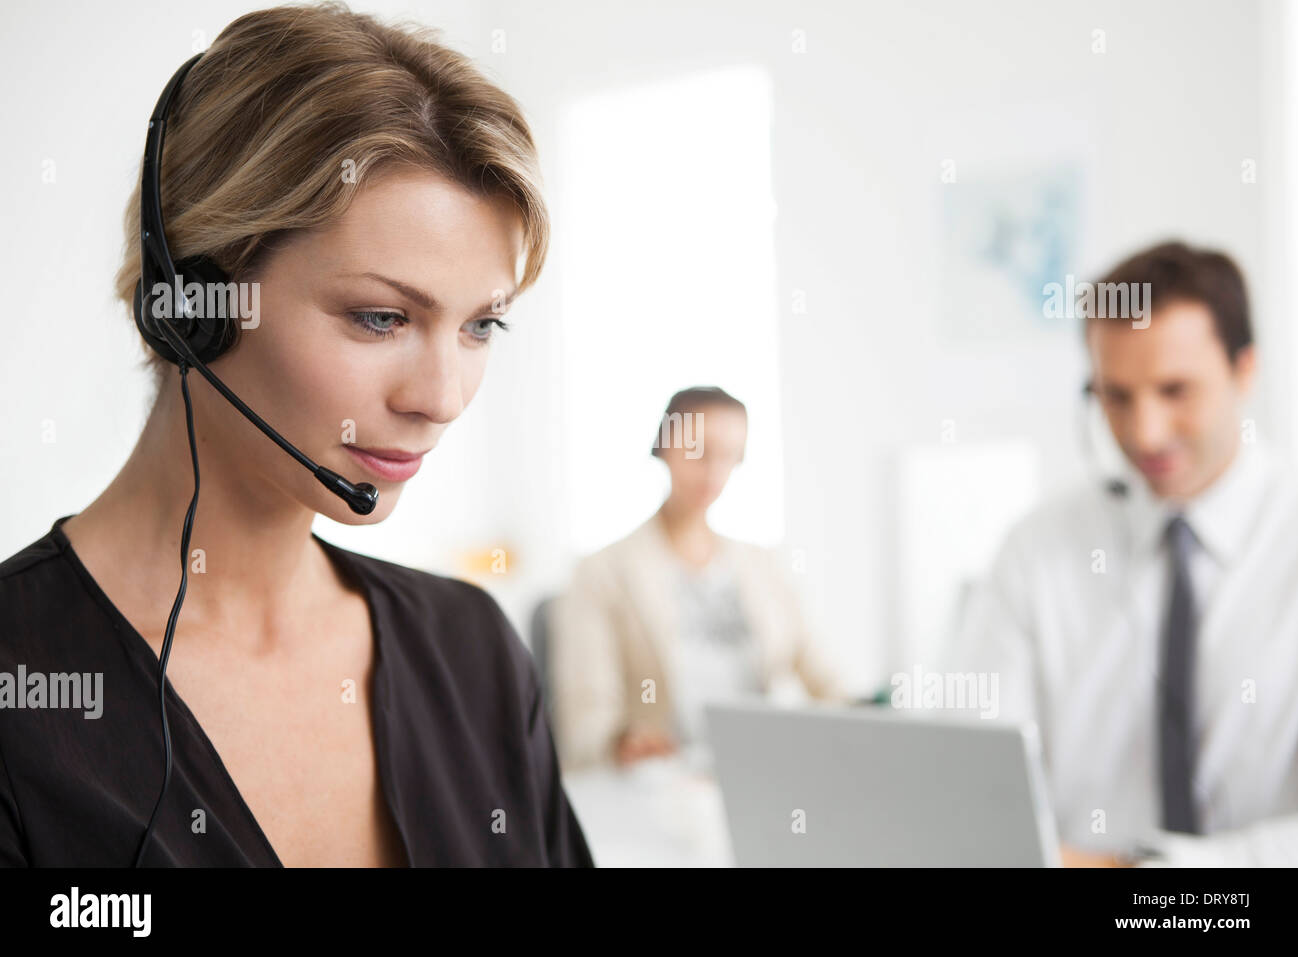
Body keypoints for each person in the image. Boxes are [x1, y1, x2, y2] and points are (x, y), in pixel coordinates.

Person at [0, 2, 591, 867]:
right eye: (381, 317)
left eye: (481, 326)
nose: (443, 398)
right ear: (188, 303)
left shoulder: (473, 653)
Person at [943, 240, 1298, 866]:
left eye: (1175, 390)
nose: (1145, 433)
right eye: (1117, 396)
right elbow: (969, 779)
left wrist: (1148, 877)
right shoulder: (1037, 552)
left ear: (1246, 370)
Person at [549, 386, 850, 771]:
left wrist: (865, 720)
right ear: (664, 446)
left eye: (728, 455)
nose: (713, 470)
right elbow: (585, 714)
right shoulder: (601, 573)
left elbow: (820, 672)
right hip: (660, 783)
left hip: (761, 770)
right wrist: (622, 743)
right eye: (698, 451)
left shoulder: (762, 566)